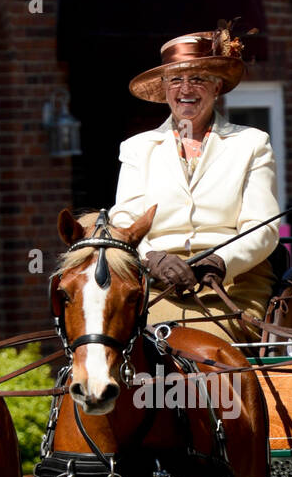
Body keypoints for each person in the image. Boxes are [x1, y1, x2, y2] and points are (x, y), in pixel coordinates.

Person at [109, 21, 280, 342]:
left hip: (232, 284)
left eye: (198, 79)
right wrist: (151, 258)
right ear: (164, 90)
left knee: (207, 347)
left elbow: (264, 228)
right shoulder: (137, 148)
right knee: (127, 344)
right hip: (156, 284)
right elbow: (123, 222)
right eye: (176, 80)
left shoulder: (252, 143)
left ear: (217, 87)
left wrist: (220, 261)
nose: (185, 89)